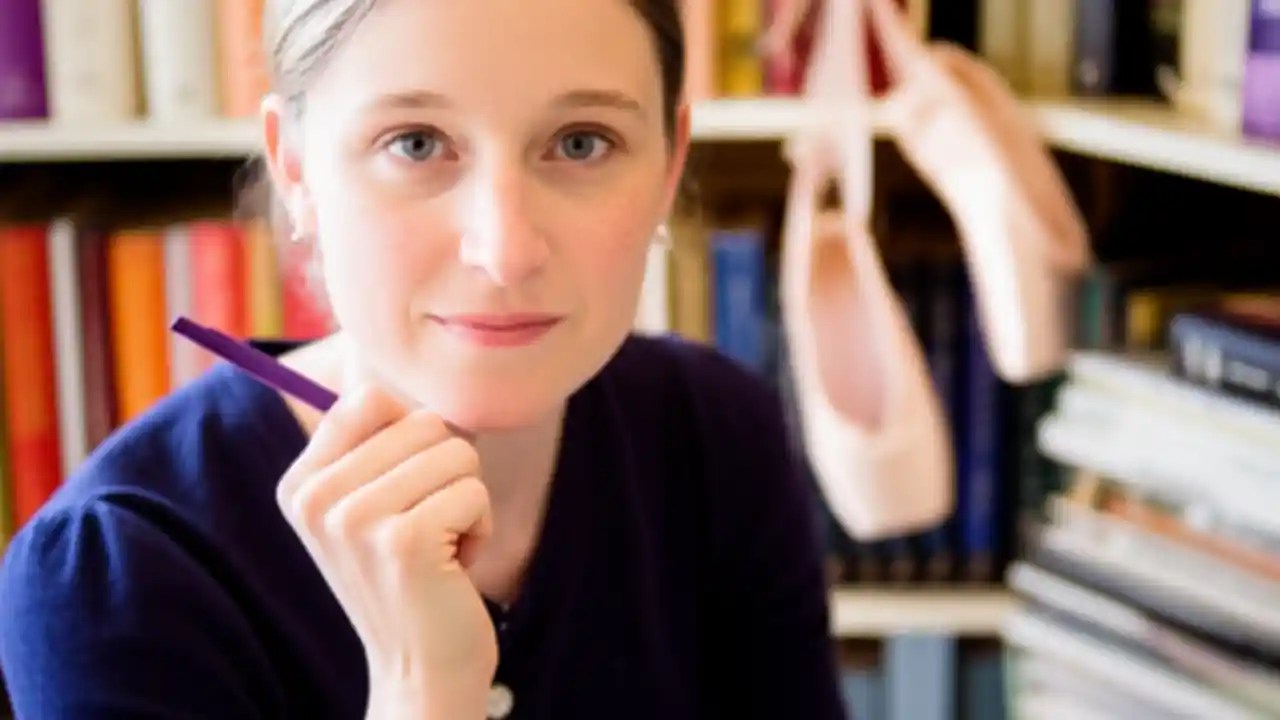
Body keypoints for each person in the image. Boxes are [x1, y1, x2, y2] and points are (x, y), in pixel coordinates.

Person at [0, 0, 848, 717]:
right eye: (414, 143)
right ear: (296, 170)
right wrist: (422, 689)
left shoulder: (717, 431)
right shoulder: (115, 573)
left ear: (669, 165)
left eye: (582, 142)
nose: (505, 250)